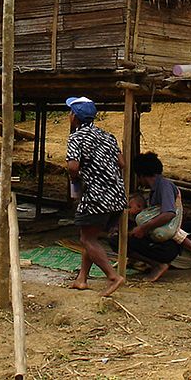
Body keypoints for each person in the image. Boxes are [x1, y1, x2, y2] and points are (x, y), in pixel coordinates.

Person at [64, 96, 127, 296]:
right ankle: (81, 279)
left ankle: (113, 276)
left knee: (87, 239)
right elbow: (122, 163)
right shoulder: (108, 136)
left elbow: (73, 166)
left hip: (96, 196)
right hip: (116, 195)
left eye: (70, 112)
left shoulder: (77, 138)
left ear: (74, 117)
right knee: (90, 237)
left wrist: (76, 177)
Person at [121, 152, 185, 283]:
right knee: (119, 238)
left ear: (142, 175)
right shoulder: (155, 189)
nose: (139, 181)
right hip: (159, 238)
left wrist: (143, 228)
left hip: (167, 245)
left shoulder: (164, 186)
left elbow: (169, 213)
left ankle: (158, 264)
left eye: (138, 177)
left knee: (121, 241)